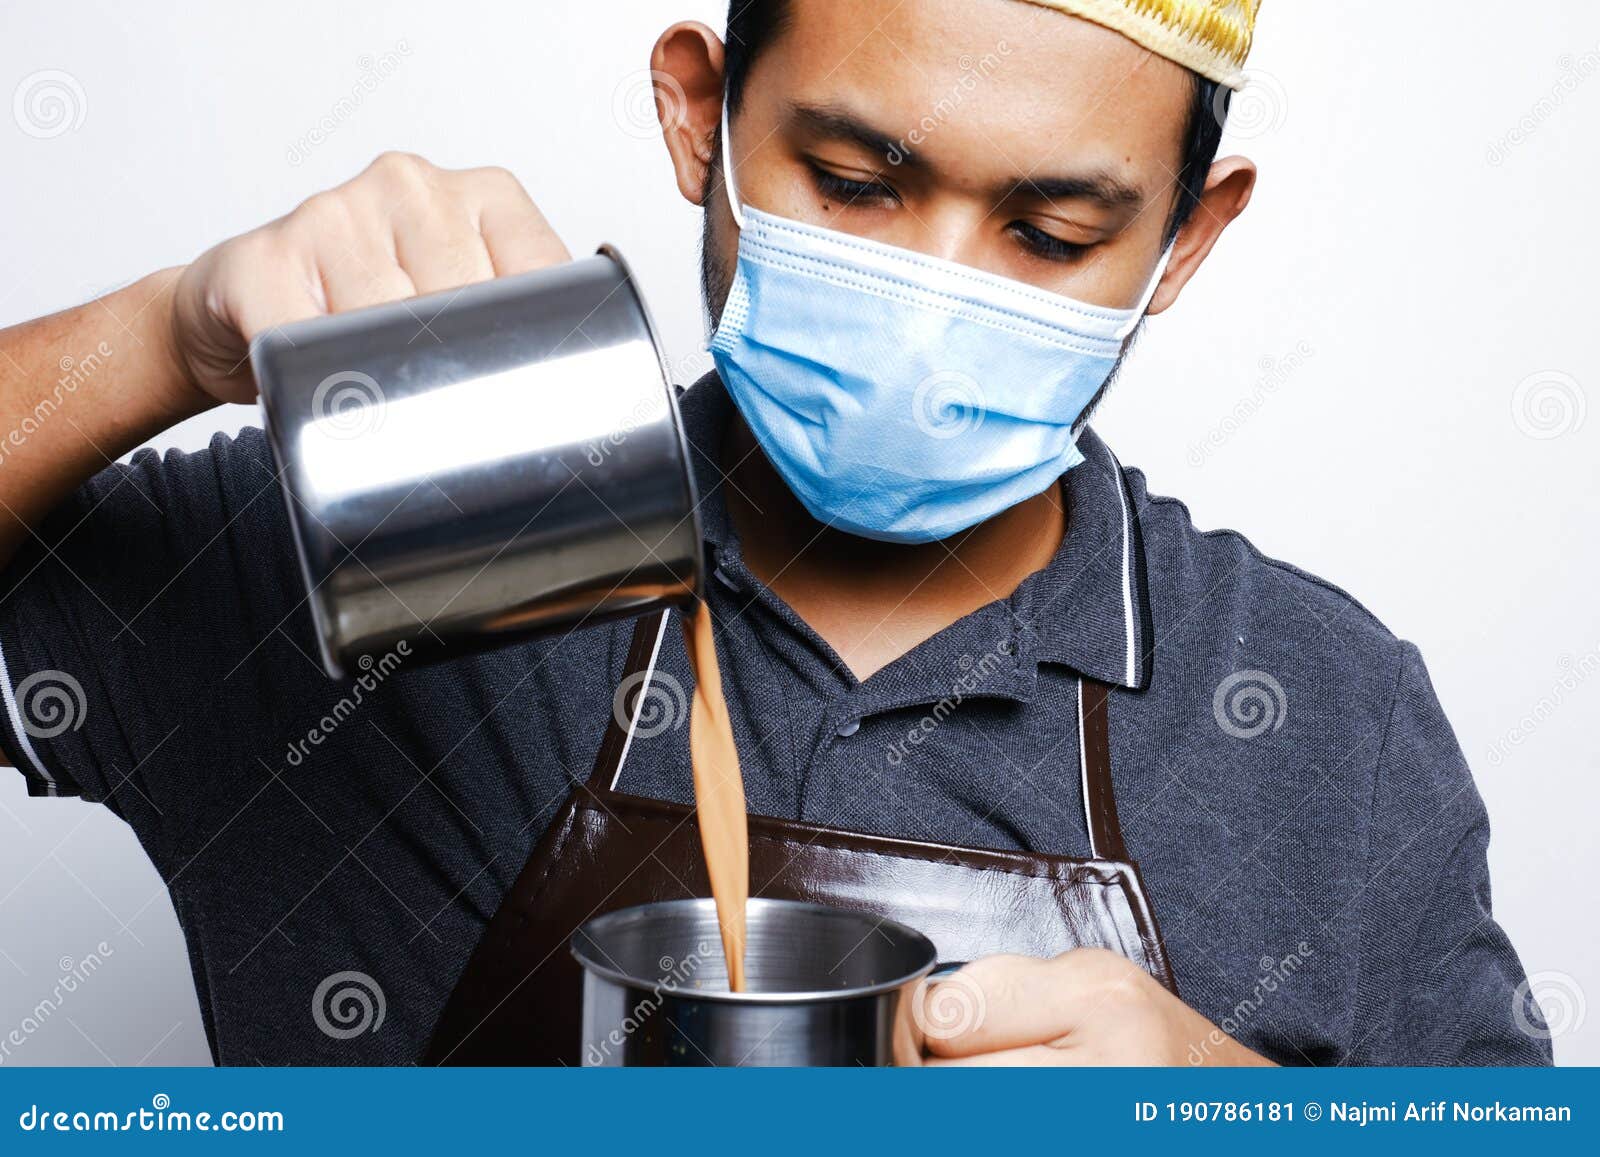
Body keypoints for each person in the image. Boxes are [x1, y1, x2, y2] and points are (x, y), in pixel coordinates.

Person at [0, 0, 1550, 1066]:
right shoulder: (413, 530)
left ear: (1187, 236)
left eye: (1050, 233)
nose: (935, 301)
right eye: (858, 183)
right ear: (700, 113)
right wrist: (160, 338)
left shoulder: (1320, 714)